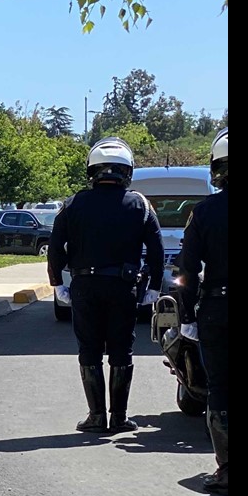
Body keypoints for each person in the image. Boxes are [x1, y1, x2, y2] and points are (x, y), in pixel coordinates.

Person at [47, 137, 164, 434]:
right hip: (123, 286)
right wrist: (153, 285)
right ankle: (119, 417)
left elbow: (55, 247)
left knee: (89, 348)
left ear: (92, 170)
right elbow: (156, 248)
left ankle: (97, 415)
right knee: (121, 350)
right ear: (127, 171)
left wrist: (57, 283)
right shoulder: (140, 204)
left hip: (85, 284)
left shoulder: (72, 203)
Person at [177, 129, 229, 492]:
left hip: (219, 307)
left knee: (221, 388)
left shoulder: (205, 212)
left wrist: (187, 315)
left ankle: (226, 469)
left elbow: (187, 270)